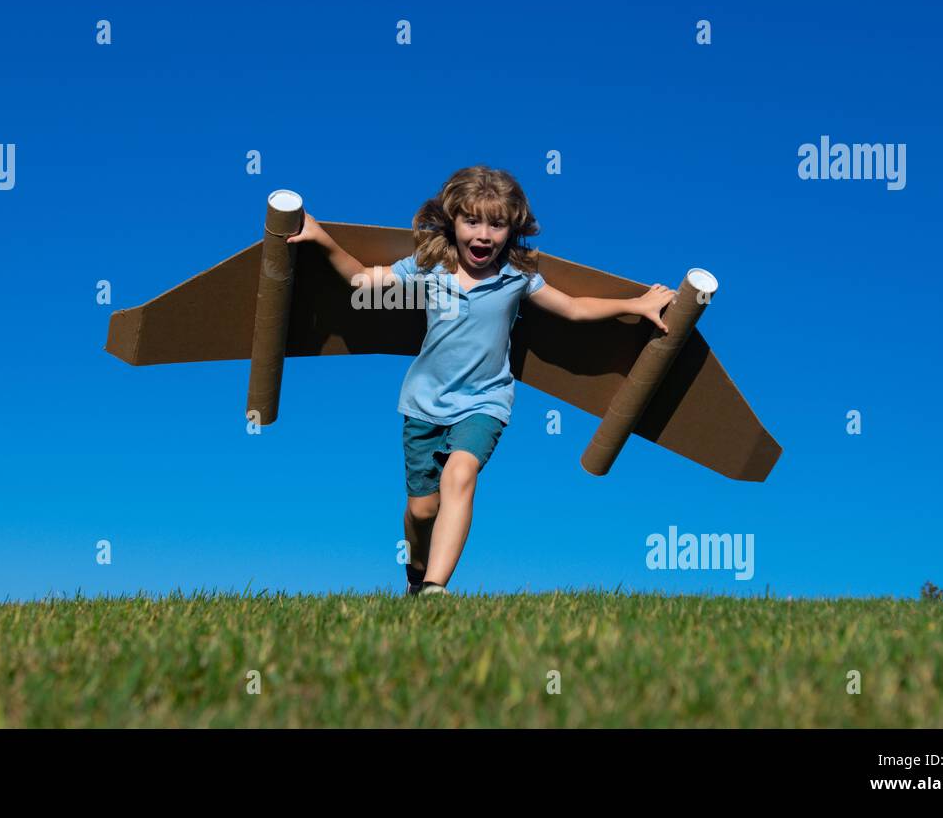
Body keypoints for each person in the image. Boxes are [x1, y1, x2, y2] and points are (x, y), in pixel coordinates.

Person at [286, 165, 676, 596]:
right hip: (423, 404)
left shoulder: (517, 278)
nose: (484, 235)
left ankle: (435, 588)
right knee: (420, 511)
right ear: (453, 221)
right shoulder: (428, 267)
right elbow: (363, 281)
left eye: (497, 224)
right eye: (472, 221)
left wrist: (637, 304)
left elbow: (573, 308)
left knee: (460, 475)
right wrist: (320, 238)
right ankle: (416, 573)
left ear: (513, 230)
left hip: (485, 402)